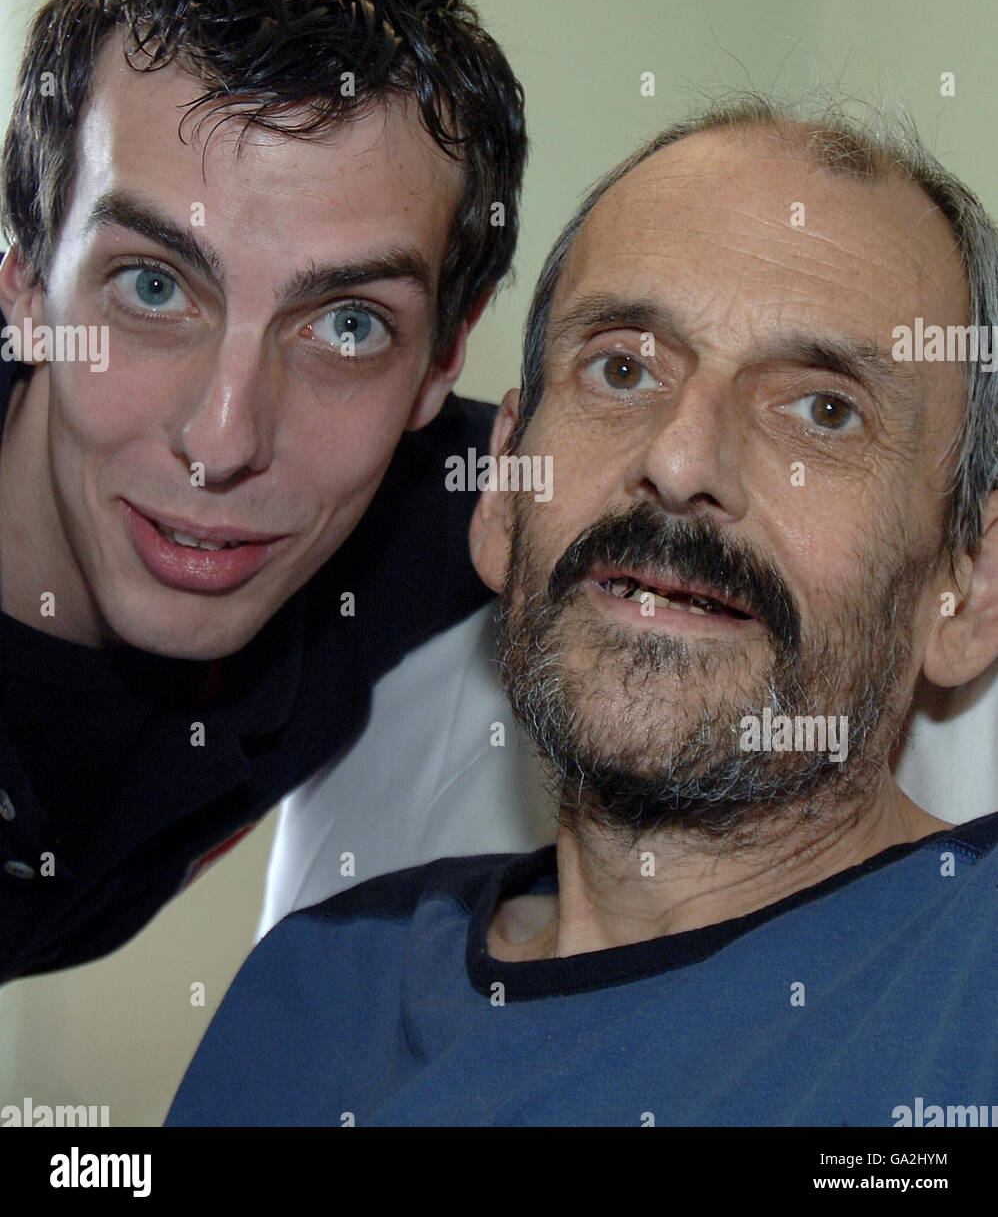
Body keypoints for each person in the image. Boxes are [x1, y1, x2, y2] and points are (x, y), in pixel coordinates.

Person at [168, 96, 998, 1126]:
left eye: (822, 409)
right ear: (504, 488)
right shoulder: (312, 996)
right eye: (620, 368)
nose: (680, 458)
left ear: (966, 586)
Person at [0, 0, 526, 984]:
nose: (224, 438)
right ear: (24, 282)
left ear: (441, 358)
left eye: (346, 325)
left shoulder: (431, 509)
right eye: (151, 287)